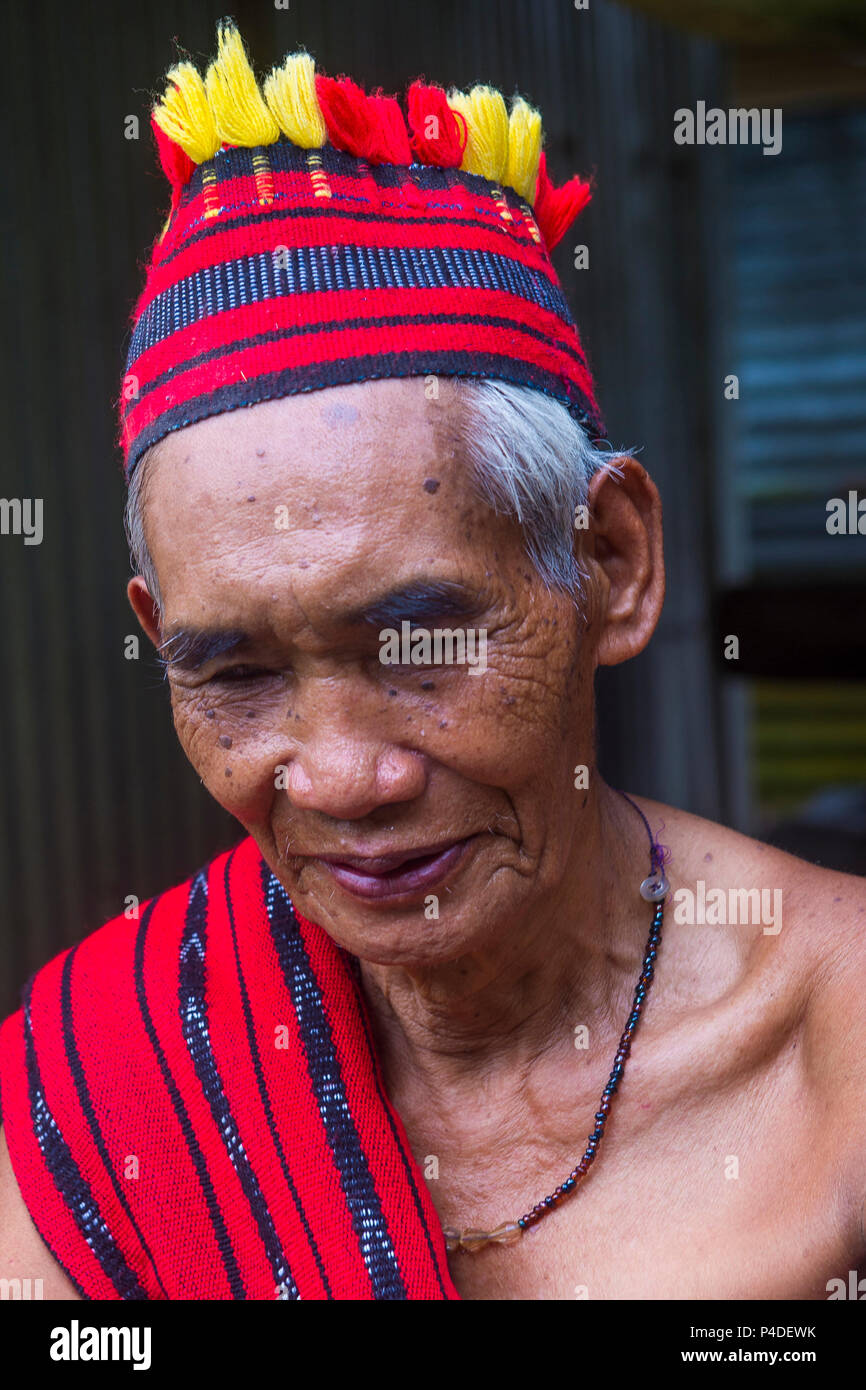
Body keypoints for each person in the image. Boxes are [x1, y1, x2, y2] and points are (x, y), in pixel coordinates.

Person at [1, 21, 864, 1302]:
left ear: (611, 562)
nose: (343, 778)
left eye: (421, 644)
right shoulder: (104, 1087)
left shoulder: (834, 1046)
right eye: (233, 674)